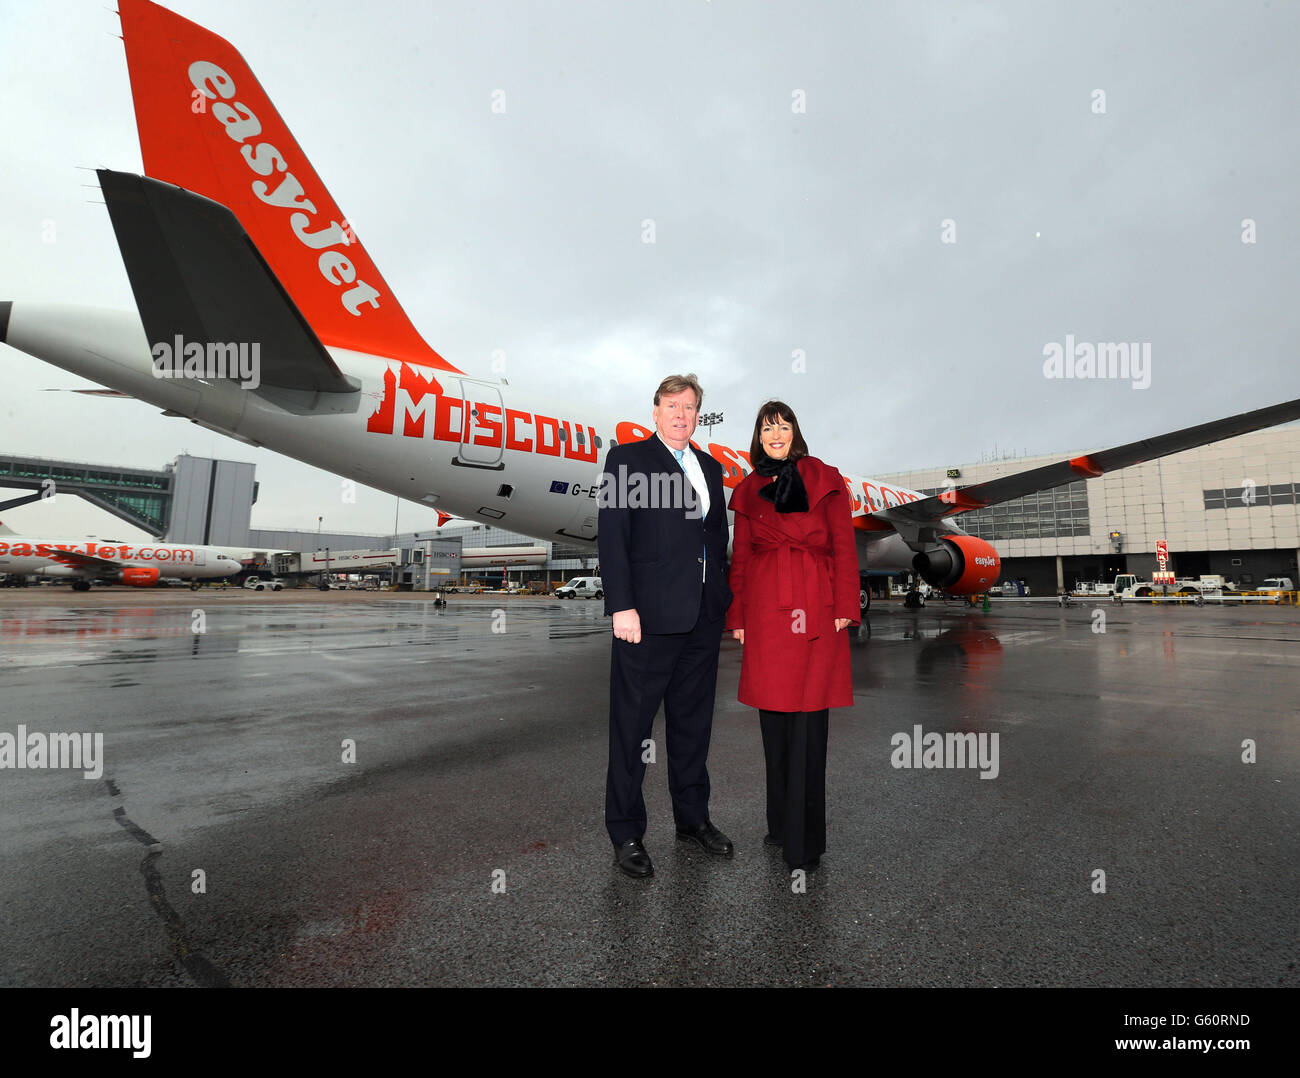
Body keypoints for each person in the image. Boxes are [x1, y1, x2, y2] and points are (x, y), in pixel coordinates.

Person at [597, 373, 735, 879]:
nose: (681, 414)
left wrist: (721, 601)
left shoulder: (711, 468)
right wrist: (621, 606)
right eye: (672, 405)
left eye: (690, 406)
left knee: (693, 725)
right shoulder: (628, 460)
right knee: (632, 728)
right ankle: (626, 832)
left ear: (699, 414)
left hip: (702, 617)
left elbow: (714, 541)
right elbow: (613, 536)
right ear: (655, 411)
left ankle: (692, 820)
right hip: (647, 620)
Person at [726, 402, 859, 872]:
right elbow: (739, 557)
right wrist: (737, 614)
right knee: (774, 724)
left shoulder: (824, 476)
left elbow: (844, 543)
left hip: (815, 604)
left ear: (795, 432)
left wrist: (847, 604)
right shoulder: (746, 490)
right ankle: (780, 825)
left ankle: (804, 842)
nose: (775, 434)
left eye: (782, 426)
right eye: (767, 428)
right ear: (758, 437)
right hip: (765, 609)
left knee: (807, 722)